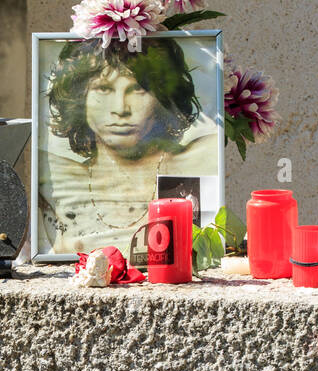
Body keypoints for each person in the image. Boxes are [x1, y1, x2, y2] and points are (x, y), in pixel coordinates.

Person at [39, 38, 219, 257]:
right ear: (79, 98)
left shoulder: (195, 161)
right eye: (103, 89)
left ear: (163, 97)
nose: (120, 109)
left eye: (138, 89)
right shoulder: (54, 177)